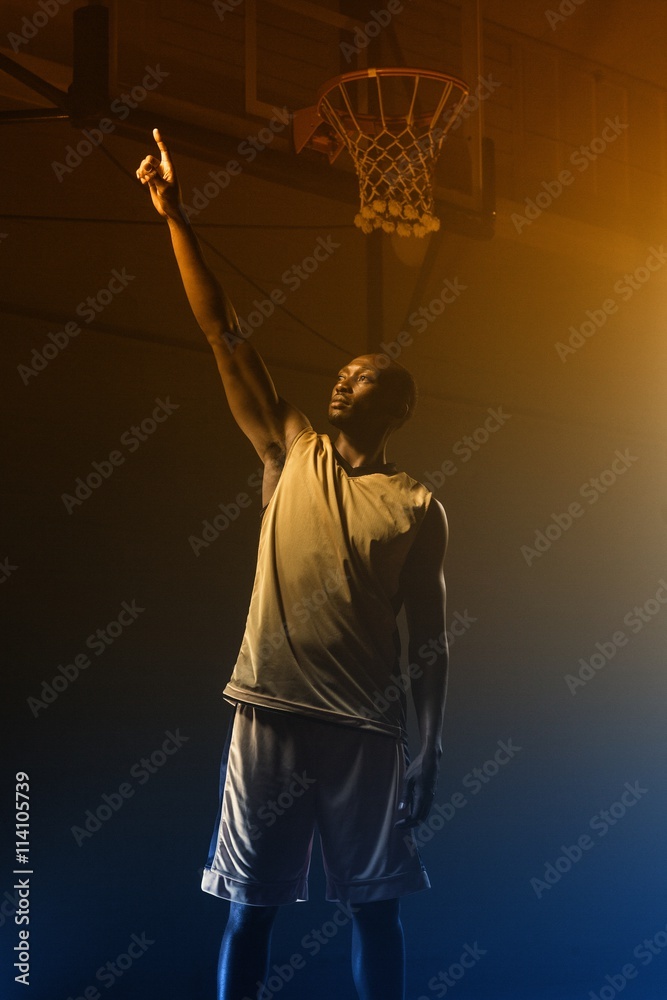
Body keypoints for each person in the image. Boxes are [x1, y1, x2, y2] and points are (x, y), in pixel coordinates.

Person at [137, 129, 449, 1000]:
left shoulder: (417, 505)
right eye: (343, 372)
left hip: (364, 729)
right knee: (250, 910)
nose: (346, 379)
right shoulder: (289, 444)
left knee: (376, 912)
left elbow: (431, 641)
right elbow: (222, 329)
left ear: (400, 404)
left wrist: (428, 751)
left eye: (368, 373)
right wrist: (174, 214)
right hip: (267, 711)